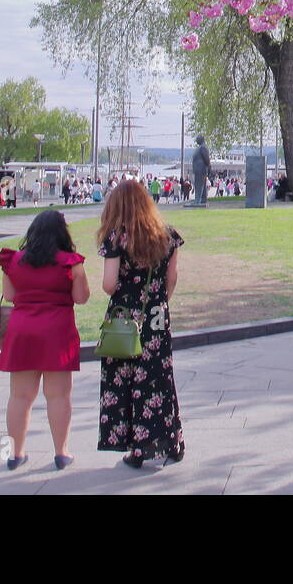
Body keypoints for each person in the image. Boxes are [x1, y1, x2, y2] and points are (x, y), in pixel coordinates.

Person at [96, 179, 186, 468]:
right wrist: (159, 300)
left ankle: (137, 447)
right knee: (159, 377)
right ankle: (172, 441)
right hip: (158, 314)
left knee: (127, 379)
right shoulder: (168, 235)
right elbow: (172, 278)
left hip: (126, 316)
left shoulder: (116, 238)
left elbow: (109, 285)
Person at [0, 210, 90, 471]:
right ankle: (61, 453)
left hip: (22, 330)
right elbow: (81, 298)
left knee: (20, 396)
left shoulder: (12, 260)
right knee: (58, 395)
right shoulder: (70, 263)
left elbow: (10, 295)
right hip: (57, 330)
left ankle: (15, 454)